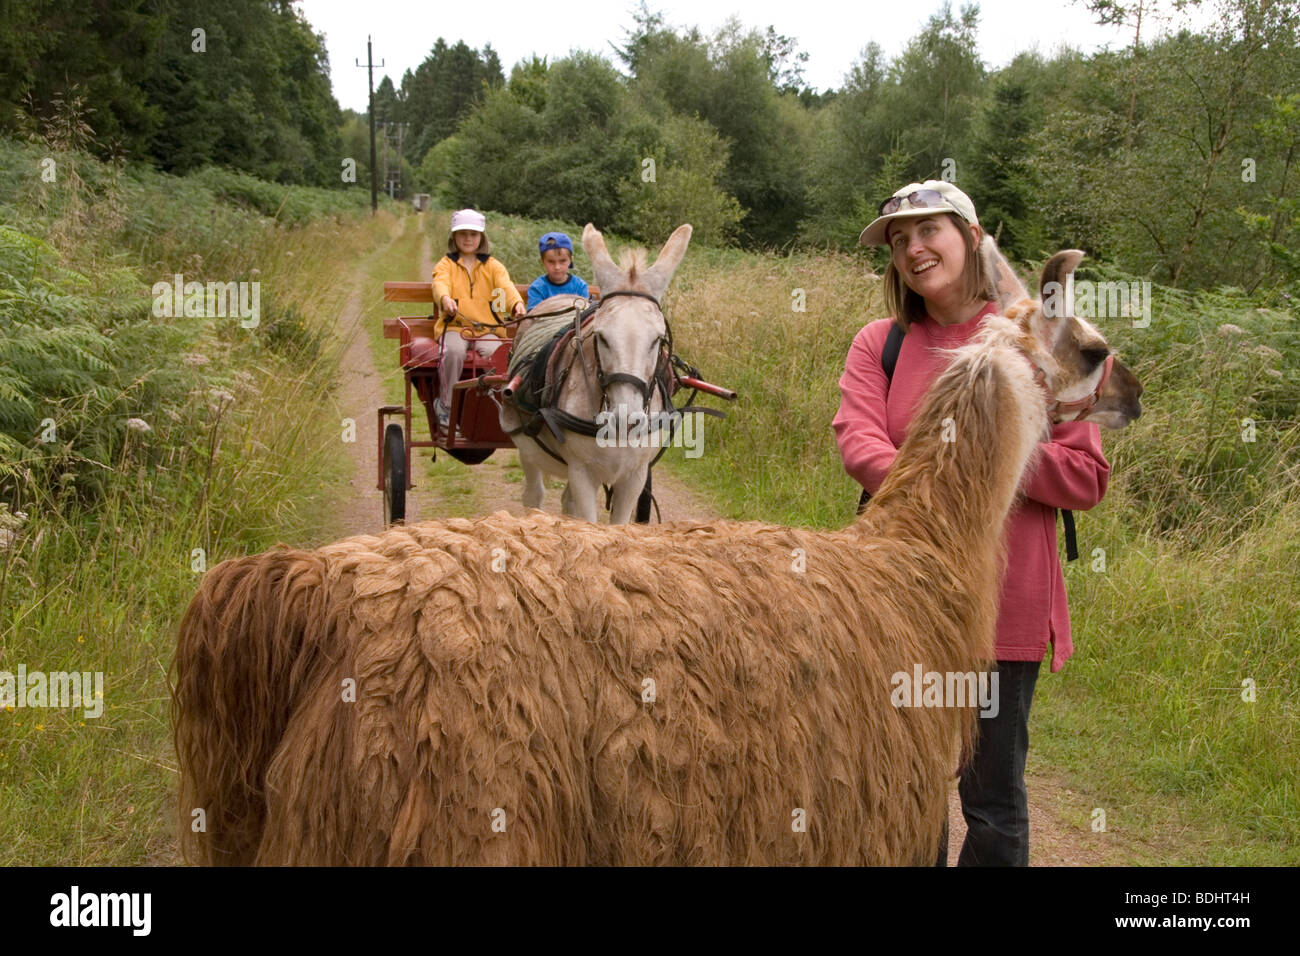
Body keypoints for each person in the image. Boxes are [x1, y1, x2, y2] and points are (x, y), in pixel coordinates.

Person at [832, 180, 1111, 866]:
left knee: (992, 804)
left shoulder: (1039, 339)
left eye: (929, 231)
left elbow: (1085, 475)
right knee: (906, 788)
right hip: (898, 602)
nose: (913, 249)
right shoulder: (882, 344)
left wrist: (996, 456)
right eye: (899, 241)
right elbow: (857, 440)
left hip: (1004, 611)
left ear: (971, 236)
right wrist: (946, 475)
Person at [431, 209, 526, 427]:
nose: (467, 238)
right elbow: (439, 284)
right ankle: (445, 406)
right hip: (455, 327)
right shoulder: (445, 264)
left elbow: (506, 288)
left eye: (473, 234)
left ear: (481, 238)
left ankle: (491, 407)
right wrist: (445, 299)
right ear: (454, 237)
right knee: (452, 352)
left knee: (498, 354)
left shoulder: (493, 266)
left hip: (488, 330)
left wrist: (517, 305)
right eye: (462, 233)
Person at [526, 231, 590, 309]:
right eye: (551, 262)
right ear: (543, 262)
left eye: (562, 261)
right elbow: (534, 317)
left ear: (570, 260)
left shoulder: (580, 286)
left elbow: (586, 313)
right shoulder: (537, 288)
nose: (557, 267)